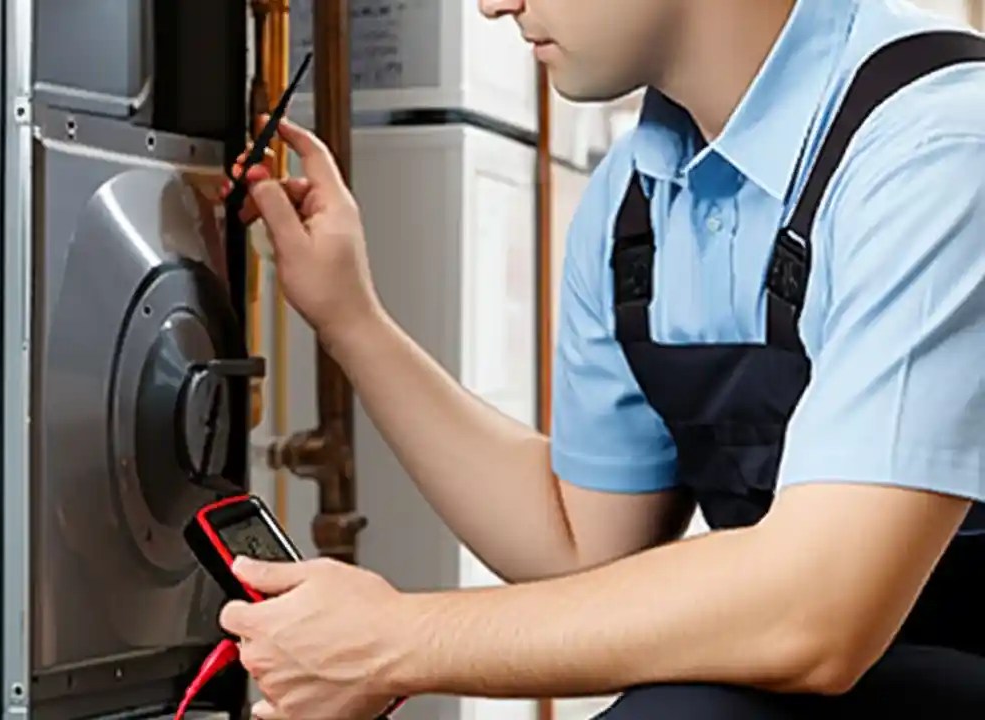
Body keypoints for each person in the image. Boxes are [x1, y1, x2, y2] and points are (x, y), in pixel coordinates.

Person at [217, 0, 985, 717]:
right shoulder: (636, 199)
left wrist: (394, 642)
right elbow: (580, 546)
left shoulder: (940, 147)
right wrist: (352, 319)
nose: (491, 3)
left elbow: (819, 613)